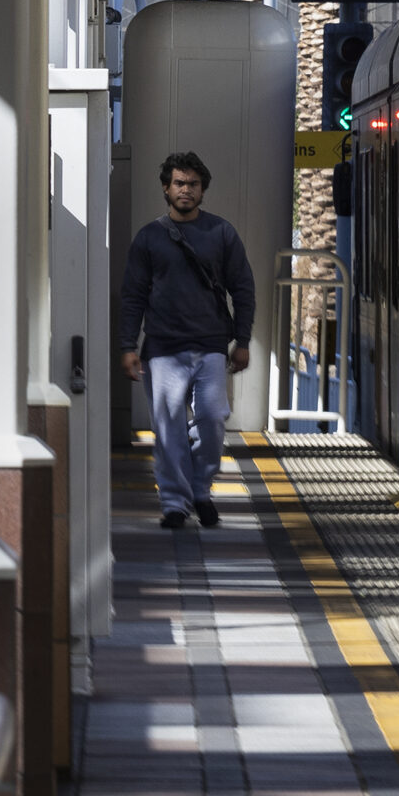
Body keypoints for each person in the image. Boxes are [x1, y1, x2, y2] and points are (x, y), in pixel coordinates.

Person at [118, 151, 257, 529]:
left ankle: (200, 489)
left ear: (202, 190)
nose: (186, 190)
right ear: (166, 188)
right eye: (179, 183)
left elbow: (242, 288)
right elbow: (133, 295)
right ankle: (176, 503)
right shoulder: (149, 238)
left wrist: (242, 340)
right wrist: (128, 346)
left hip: (211, 345)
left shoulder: (221, 233)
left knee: (212, 419)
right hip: (162, 348)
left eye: (193, 184)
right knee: (168, 428)